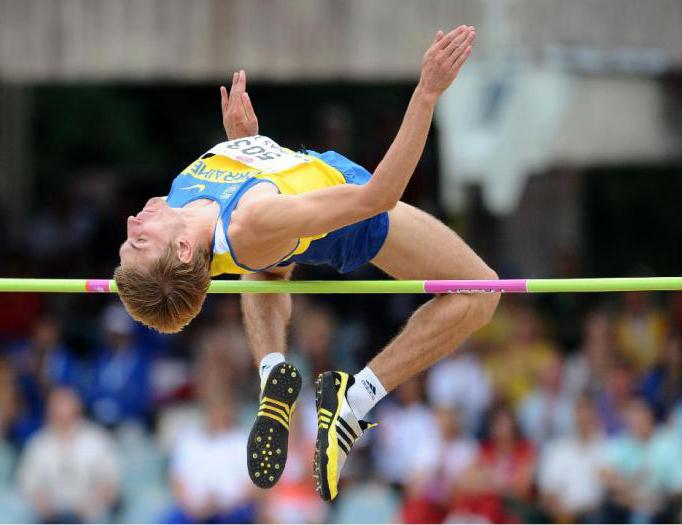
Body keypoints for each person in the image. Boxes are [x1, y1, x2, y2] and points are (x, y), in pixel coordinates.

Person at [115, 25, 500, 501]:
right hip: (348, 214)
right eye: (139, 241)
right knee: (482, 291)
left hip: (273, 223)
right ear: (181, 250)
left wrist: (244, 143)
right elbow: (379, 197)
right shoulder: (251, 220)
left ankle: (274, 370)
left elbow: (252, 196)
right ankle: (355, 402)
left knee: (261, 260)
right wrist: (426, 92)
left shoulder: (183, 205)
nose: (132, 222)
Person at [18, 388, 120, 523]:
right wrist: (44, 507)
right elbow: (27, 484)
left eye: (66, 405)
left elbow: (111, 481)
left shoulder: (97, 439)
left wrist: (91, 506)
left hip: (90, 509)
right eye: (57, 407)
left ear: (78, 409)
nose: (62, 412)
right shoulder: (37, 443)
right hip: (49, 512)